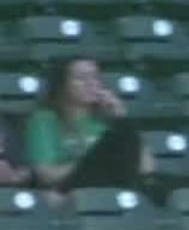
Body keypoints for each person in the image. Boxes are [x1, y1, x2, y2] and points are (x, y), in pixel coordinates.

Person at [26, 56, 152, 193]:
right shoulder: (45, 120)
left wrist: (121, 116)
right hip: (72, 195)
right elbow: (46, 175)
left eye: (95, 77)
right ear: (63, 85)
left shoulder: (108, 121)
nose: (91, 84)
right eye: (81, 78)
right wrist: (96, 166)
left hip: (115, 192)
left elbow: (147, 167)